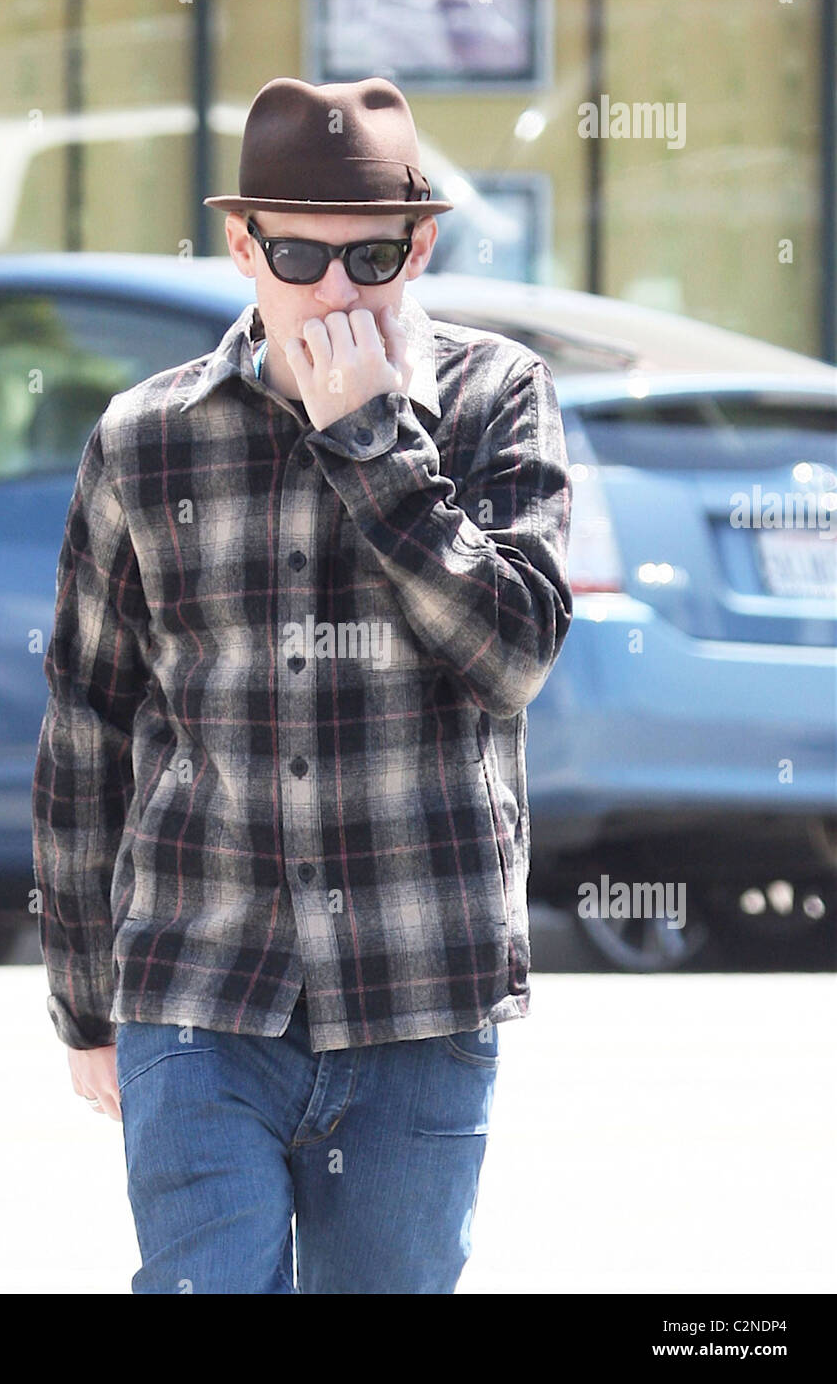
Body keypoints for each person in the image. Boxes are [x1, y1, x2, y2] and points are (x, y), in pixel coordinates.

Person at [31, 75, 573, 1294]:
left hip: (419, 993)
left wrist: (372, 438)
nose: (336, 290)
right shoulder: (142, 438)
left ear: (421, 243)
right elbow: (86, 726)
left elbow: (516, 654)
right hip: (198, 986)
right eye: (299, 255)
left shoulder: (495, 404)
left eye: (373, 256)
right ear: (242, 247)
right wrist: (84, 1001)